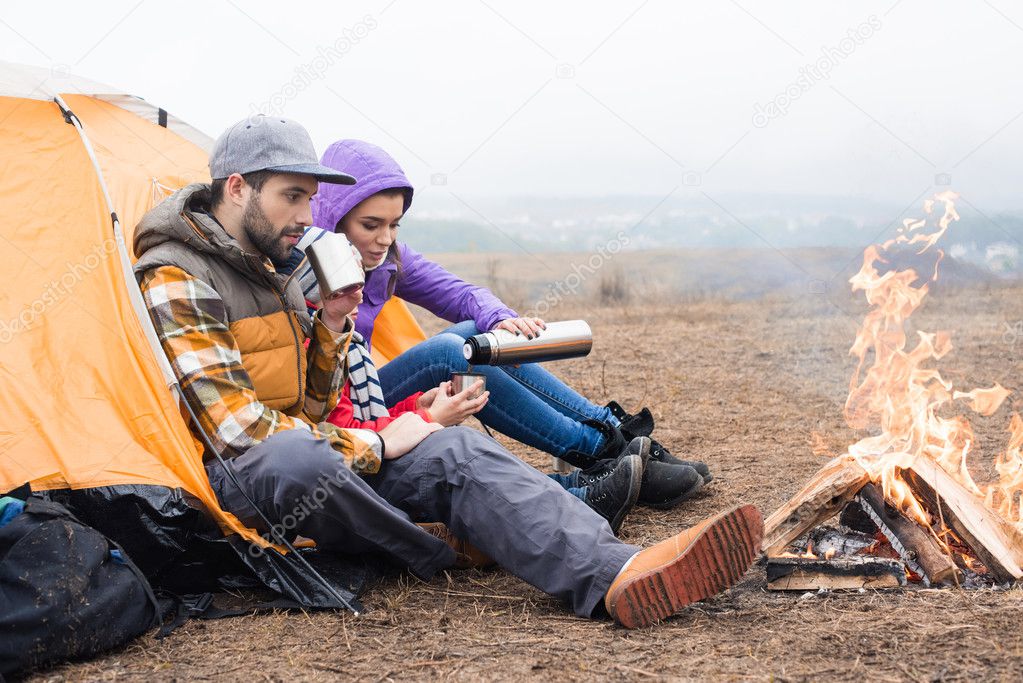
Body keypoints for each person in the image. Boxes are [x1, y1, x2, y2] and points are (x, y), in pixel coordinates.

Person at [132, 115, 762, 628]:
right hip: (245, 479)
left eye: (309, 198)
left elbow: (316, 407)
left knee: (453, 449)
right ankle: (448, 545)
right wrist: (380, 442)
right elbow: (239, 432)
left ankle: (616, 572)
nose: (305, 215)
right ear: (237, 188)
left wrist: (331, 327)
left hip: (329, 451)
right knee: (298, 460)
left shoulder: (283, 263)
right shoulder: (179, 274)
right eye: (292, 197)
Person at [278, 140, 710, 510]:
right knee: (452, 352)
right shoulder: (302, 273)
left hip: (364, 390)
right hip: (332, 410)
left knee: (476, 335)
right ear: (334, 218)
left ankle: (613, 434)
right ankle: (599, 451)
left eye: (394, 225)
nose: (385, 238)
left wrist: (501, 320)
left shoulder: (387, 259)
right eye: (370, 225)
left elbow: (461, 293)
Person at [323, 303, 646, 533]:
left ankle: (598, 453)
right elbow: (344, 441)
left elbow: (351, 426)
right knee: (455, 453)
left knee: (477, 336)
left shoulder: (334, 341)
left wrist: (416, 406)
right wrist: (428, 417)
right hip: (351, 470)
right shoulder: (319, 353)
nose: (358, 299)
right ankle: (576, 493)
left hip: (369, 442)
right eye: (343, 291)